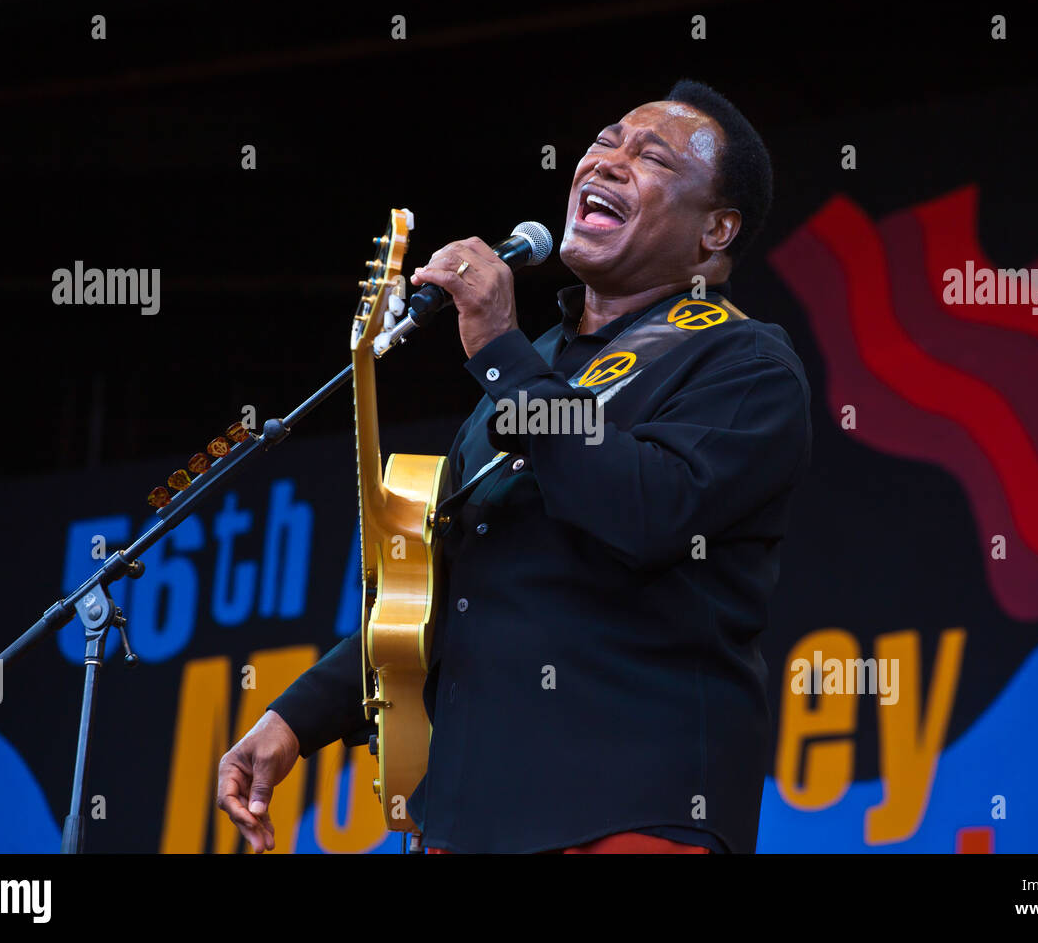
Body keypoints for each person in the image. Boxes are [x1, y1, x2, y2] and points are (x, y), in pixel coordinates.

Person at [217, 79, 811, 854]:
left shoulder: (745, 362)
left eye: (650, 157)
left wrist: (499, 351)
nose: (608, 161)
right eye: (604, 141)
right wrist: (292, 719)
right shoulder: (539, 366)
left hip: (626, 815)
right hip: (466, 822)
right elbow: (444, 591)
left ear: (715, 231)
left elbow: (648, 512)